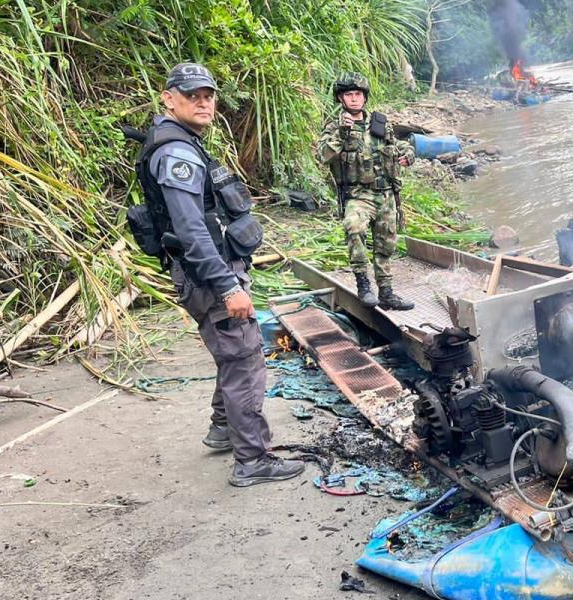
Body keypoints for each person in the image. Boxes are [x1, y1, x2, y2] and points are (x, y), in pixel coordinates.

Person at [134, 62, 304, 487]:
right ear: (168, 98)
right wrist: (228, 286)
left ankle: (224, 429)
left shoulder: (180, 143)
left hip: (201, 274)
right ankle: (253, 460)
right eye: (192, 95)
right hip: (210, 277)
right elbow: (192, 230)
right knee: (245, 359)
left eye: (208, 95)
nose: (204, 102)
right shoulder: (176, 153)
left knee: (230, 353)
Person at [314, 72, 415, 311]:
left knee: (386, 244)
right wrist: (341, 133)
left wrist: (408, 152)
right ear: (341, 98)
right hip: (358, 194)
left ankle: (387, 293)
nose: (354, 99)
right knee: (354, 227)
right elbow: (323, 156)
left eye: (358, 94)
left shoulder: (379, 122)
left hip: (386, 193)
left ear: (364, 97)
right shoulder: (335, 127)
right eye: (349, 94)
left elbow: (395, 144)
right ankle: (363, 285)